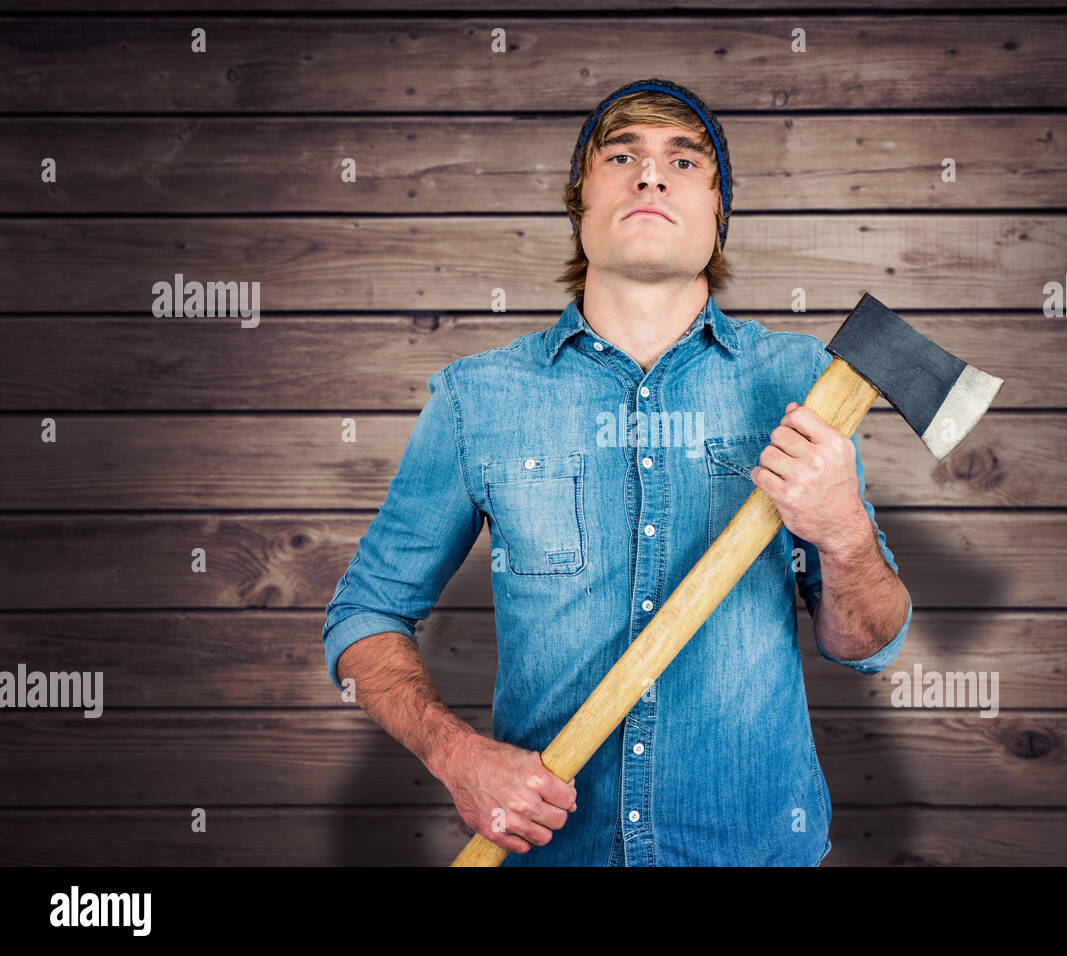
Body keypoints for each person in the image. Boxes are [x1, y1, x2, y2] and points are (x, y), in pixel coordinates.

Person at [321, 78, 912, 866]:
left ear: (717, 216)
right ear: (579, 205)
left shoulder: (806, 384)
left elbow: (865, 642)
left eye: (684, 161)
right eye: (622, 155)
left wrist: (845, 536)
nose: (650, 175)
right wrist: (456, 755)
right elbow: (364, 612)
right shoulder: (476, 398)